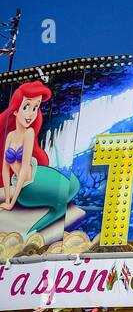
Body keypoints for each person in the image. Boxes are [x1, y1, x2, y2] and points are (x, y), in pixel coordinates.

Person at [1, 82, 81, 234]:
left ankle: (47, 219)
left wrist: (10, 203)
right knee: (65, 192)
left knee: (67, 190)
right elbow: (5, 168)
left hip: (36, 179)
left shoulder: (29, 133)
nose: (31, 114)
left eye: (35, 107)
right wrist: (7, 199)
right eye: (26, 107)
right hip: (28, 190)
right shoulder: (10, 136)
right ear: (15, 110)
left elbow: (25, 169)